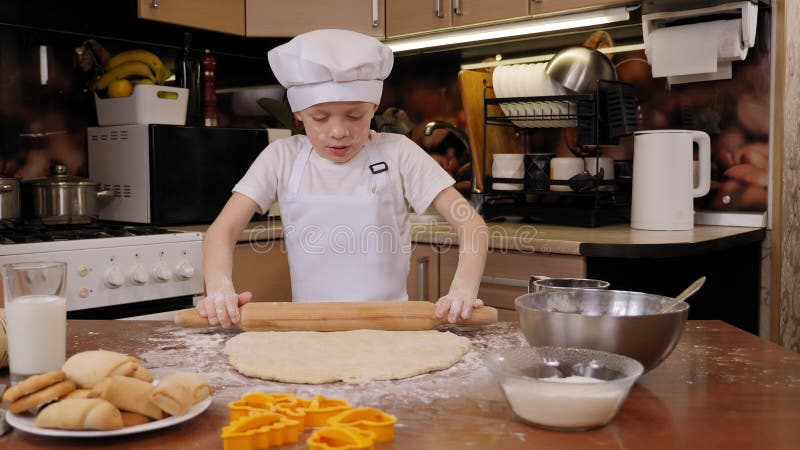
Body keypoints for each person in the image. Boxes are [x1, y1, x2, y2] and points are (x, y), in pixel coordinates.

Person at [196, 29, 488, 328]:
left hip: (392, 329)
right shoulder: (281, 158)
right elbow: (223, 230)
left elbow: (471, 224)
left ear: (373, 107)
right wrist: (220, 288)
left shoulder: (397, 153)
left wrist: (462, 289)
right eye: (320, 118)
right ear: (298, 113)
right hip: (309, 330)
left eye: (354, 116)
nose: (338, 131)